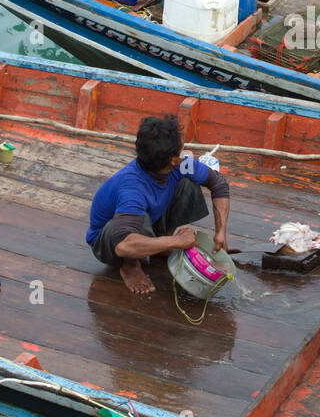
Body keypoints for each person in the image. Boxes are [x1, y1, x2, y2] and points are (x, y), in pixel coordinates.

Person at [87, 115, 231, 295]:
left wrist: (221, 231)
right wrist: (177, 241)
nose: (184, 152)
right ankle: (130, 266)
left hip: (145, 221)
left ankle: (158, 244)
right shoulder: (133, 189)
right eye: (181, 150)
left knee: (189, 184)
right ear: (172, 160)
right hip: (110, 243)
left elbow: (218, 184)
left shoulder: (181, 165)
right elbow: (123, 245)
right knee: (139, 216)